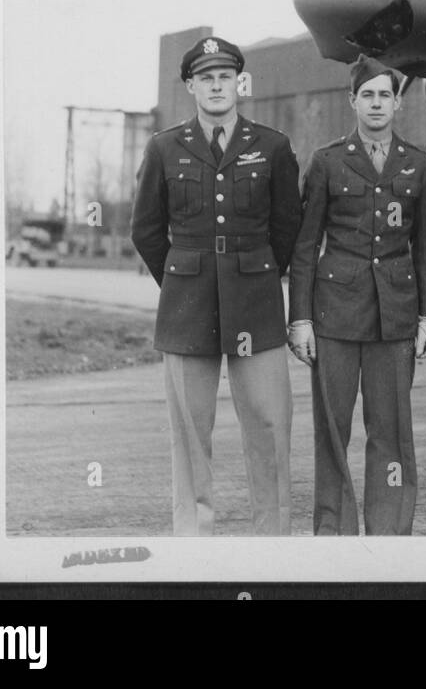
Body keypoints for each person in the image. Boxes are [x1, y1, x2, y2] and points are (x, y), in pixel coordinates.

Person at [131, 35, 302, 536]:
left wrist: (258, 272)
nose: (216, 86)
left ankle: (271, 539)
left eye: (225, 77)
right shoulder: (164, 147)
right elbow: (145, 229)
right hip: (188, 306)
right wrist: (183, 277)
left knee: (270, 426)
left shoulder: (271, 146)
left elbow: (287, 226)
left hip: (256, 304)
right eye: (206, 78)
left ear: (239, 83)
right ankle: (194, 541)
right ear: (190, 86)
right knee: (189, 431)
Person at [287, 55, 426, 535]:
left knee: (391, 431)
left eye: (385, 96)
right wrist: (301, 320)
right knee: (333, 431)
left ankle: (389, 533)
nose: (377, 104)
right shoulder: (327, 161)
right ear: (352, 101)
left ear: (398, 103)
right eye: (367, 95)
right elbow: (305, 247)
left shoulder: (418, 164)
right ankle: (334, 533)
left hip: (395, 318)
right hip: (335, 317)